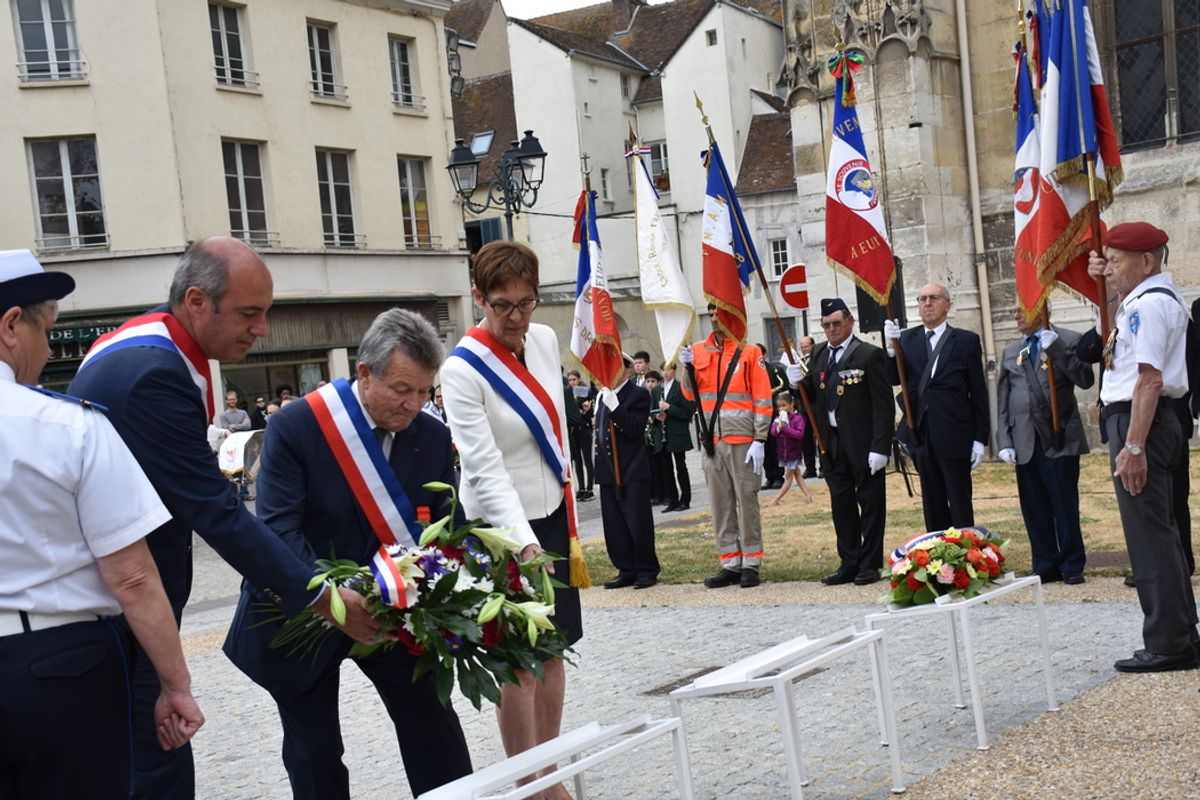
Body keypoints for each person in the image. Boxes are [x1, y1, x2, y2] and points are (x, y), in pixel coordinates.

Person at [68, 237, 377, 798]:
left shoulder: (148, 345)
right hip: (121, 617)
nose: (262, 329)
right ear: (196, 301)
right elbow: (215, 510)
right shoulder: (156, 373)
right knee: (155, 775)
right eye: (249, 313)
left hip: (113, 611)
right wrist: (324, 598)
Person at [223, 309, 473, 798]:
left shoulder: (433, 435)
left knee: (435, 729)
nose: (415, 404)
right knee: (314, 752)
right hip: (304, 607)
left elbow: (443, 527)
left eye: (425, 391)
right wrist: (333, 601)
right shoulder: (298, 425)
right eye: (403, 389)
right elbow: (277, 530)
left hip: (394, 609)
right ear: (364, 372)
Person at [0, 249, 203, 798]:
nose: (48, 349)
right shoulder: (68, 426)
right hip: (59, 668)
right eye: (48, 330)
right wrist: (174, 685)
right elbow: (132, 577)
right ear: (11, 326)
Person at [440, 241, 584, 798]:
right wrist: (523, 546)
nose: (517, 318)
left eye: (527, 303)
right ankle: (527, 784)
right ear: (479, 297)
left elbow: (558, 433)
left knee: (555, 650)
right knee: (517, 664)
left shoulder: (543, 340)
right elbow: (484, 469)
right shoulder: (461, 370)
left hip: (551, 519)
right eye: (503, 305)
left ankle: (547, 773)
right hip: (502, 533)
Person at [1086, 222, 1198, 672]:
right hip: (1152, 422)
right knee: (1162, 535)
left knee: (1150, 539)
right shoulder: (1146, 300)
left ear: (1146, 261)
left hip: (1142, 424)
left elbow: (1149, 379)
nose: (1108, 269)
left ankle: (1168, 643)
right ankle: (1182, 633)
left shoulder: (1149, 306)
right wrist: (1104, 281)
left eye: (1115, 261)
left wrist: (1133, 446)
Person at [790, 298, 893, 585]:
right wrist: (795, 383)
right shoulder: (820, 353)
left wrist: (880, 447)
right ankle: (849, 561)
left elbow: (884, 406)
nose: (831, 329)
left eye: (837, 323)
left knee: (870, 505)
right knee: (842, 505)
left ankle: (869, 564)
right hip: (831, 443)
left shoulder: (869, 354)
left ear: (850, 322)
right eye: (826, 325)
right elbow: (811, 396)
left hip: (864, 443)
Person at [996, 304, 1094, 585]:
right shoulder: (1011, 351)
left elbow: (1085, 379)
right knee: (1034, 506)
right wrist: (1004, 440)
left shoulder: (1068, 340)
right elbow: (1003, 399)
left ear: (1041, 309)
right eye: (1012, 310)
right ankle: (1045, 563)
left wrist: (1059, 350)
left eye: (1020, 309)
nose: (1015, 315)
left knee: (1063, 504)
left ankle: (1072, 563)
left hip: (1059, 437)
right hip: (1024, 440)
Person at [679, 304, 773, 588]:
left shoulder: (748, 351)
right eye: (710, 312)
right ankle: (730, 561)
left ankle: (751, 562)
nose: (715, 317)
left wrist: (760, 439)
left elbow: (762, 398)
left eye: (720, 311)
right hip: (711, 441)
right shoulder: (697, 350)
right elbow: (688, 393)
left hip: (742, 439)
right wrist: (686, 368)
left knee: (746, 501)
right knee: (720, 505)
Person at [884, 284, 989, 531]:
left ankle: (966, 556)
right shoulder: (906, 340)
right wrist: (890, 349)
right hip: (920, 432)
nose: (928, 303)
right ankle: (938, 557)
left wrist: (979, 439)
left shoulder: (965, 340)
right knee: (932, 501)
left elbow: (978, 392)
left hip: (955, 432)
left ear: (947, 305)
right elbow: (893, 378)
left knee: (960, 499)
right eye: (922, 299)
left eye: (934, 298)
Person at [595, 355, 659, 589]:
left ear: (627, 370)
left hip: (631, 468)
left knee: (637, 522)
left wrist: (615, 407)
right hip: (608, 470)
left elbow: (633, 429)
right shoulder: (603, 395)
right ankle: (626, 568)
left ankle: (646, 569)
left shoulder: (638, 394)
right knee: (614, 525)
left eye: (613, 366)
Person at [657, 362, 694, 512]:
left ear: (674, 370)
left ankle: (685, 499)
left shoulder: (681, 387)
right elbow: (652, 409)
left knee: (681, 467)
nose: (665, 373)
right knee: (666, 469)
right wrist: (657, 416)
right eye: (663, 370)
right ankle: (672, 500)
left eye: (668, 370)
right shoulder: (657, 390)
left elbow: (688, 412)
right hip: (663, 434)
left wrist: (669, 408)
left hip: (677, 434)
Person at [768, 391, 813, 506]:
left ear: (791, 404)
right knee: (797, 474)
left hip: (794, 452)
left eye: (784, 405)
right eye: (779, 406)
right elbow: (773, 432)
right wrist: (778, 428)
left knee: (788, 477)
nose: (781, 408)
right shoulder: (778, 418)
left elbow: (799, 434)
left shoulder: (798, 418)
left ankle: (776, 499)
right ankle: (808, 496)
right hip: (784, 452)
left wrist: (785, 428)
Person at [759, 343, 788, 490]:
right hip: (759, 414)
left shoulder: (775, 370)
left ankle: (778, 476)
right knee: (763, 446)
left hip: (774, 412)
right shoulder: (753, 371)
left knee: (775, 446)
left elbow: (785, 390)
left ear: (764, 355)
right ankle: (769, 476)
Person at [567, 370, 595, 501]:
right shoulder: (568, 392)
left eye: (574, 379)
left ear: (579, 379)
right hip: (574, 431)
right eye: (570, 380)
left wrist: (585, 409)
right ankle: (582, 487)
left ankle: (590, 488)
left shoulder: (585, 391)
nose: (572, 382)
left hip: (584, 428)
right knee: (577, 460)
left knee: (587, 459)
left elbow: (588, 410)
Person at [797, 335, 820, 478]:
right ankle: (810, 468)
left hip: (817, 404)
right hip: (804, 407)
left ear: (812, 346)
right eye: (802, 347)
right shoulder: (800, 363)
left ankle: (824, 467)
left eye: (806, 346)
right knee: (806, 439)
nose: (804, 349)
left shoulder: (817, 361)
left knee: (820, 436)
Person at [644, 369, 665, 504]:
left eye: (653, 381)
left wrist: (654, 417)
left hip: (658, 435)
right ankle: (654, 493)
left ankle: (663, 493)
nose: (650, 384)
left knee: (661, 467)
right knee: (651, 467)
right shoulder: (644, 396)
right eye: (648, 381)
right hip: (647, 436)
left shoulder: (659, 396)